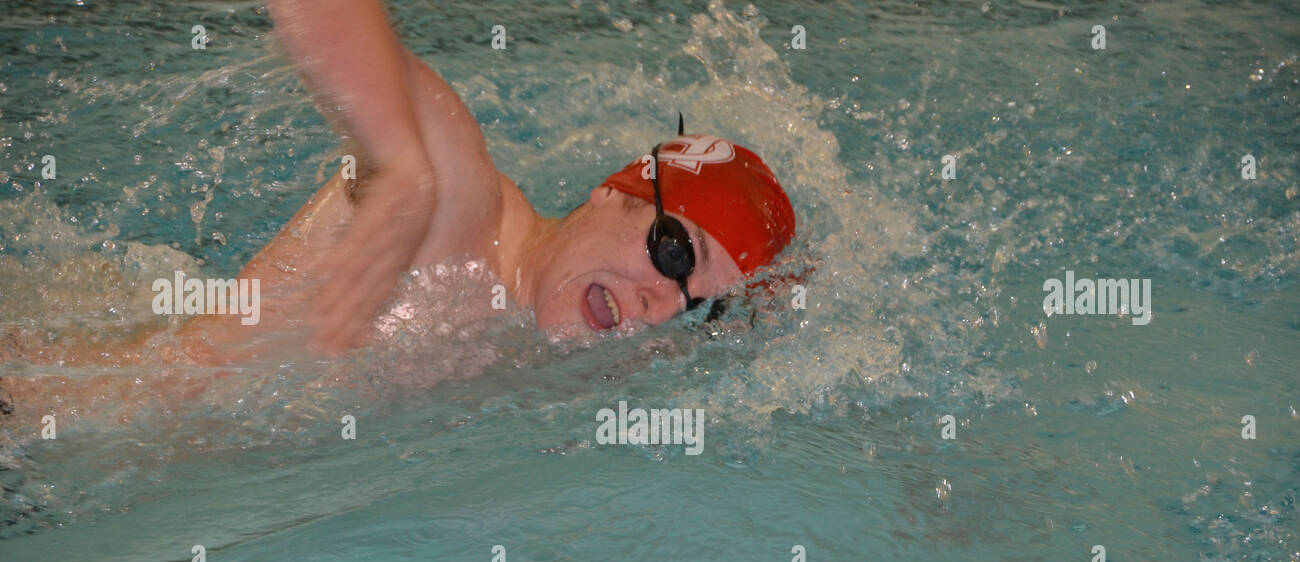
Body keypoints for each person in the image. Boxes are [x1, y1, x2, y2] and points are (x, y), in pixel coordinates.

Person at [1, 0, 795, 422]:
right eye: (673, 252)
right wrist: (405, 167)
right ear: (613, 193)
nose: (662, 303)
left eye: (696, 306)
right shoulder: (461, 213)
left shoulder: (586, 346)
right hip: (33, 420)